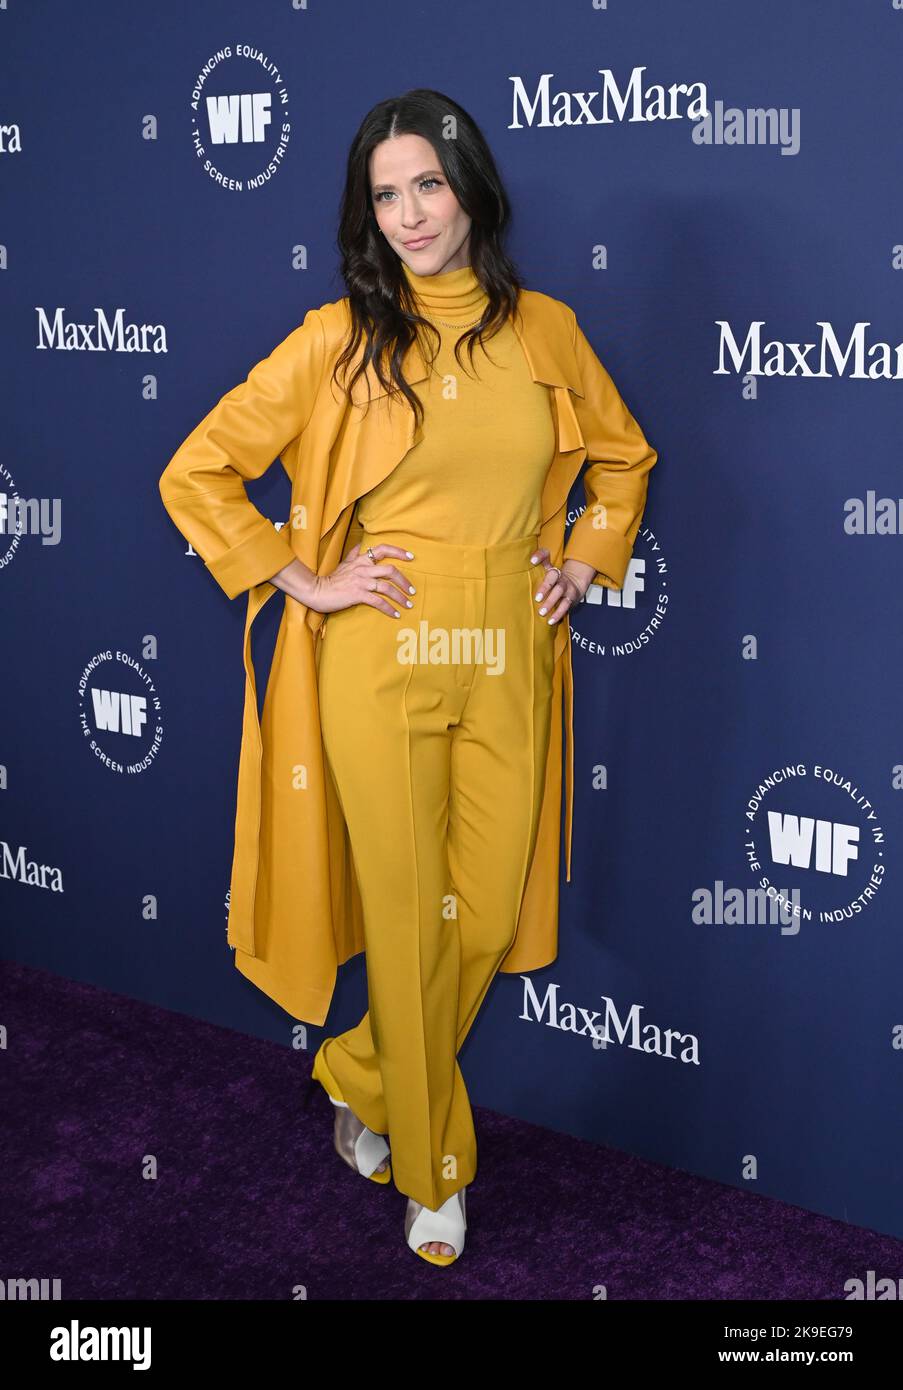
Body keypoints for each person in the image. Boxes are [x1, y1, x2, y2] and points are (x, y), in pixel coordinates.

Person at [159, 88, 657, 1267]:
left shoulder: (547, 330)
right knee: (403, 913)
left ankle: (356, 1066)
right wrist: (304, 577)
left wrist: (585, 560)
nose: (408, 213)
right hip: (380, 648)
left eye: (426, 184)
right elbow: (200, 470)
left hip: (507, 644)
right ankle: (437, 1171)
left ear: (472, 188)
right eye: (384, 194)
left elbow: (625, 459)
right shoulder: (338, 339)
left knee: (479, 913)